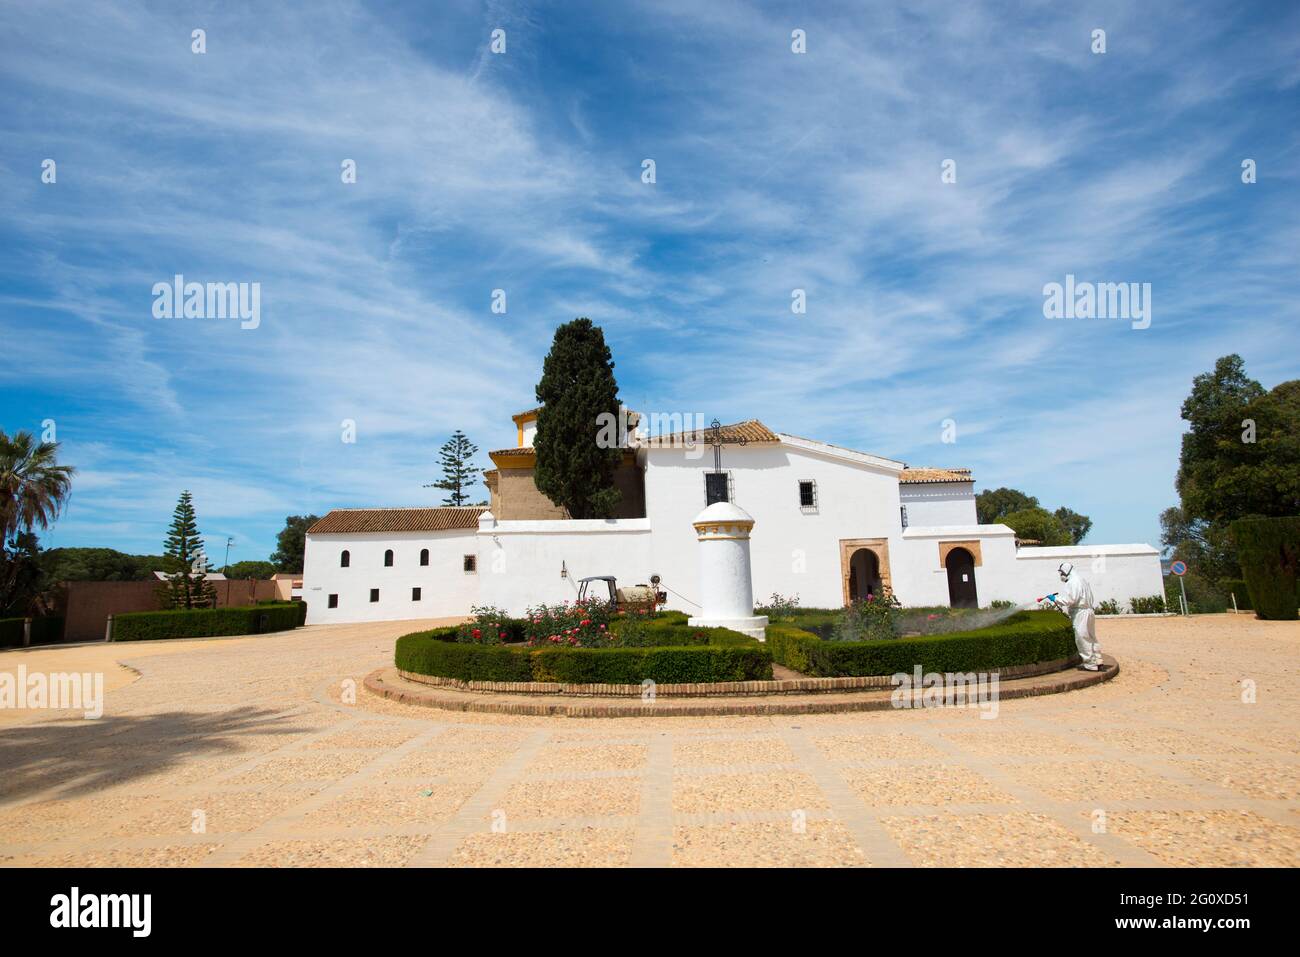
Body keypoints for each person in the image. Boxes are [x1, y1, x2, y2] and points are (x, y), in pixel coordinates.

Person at [1049, 562, 1102, 670]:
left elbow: (1071, 600)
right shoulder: (1081, 579)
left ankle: (1090, 664)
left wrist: (1056, 599)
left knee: (1081, 638)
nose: (1061, 576)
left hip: (1080, 613)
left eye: (1061, 573)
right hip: (1089, 611)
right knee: (1091, 637)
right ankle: (1098, 660)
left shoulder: (1072, 582)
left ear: (1066, 572)